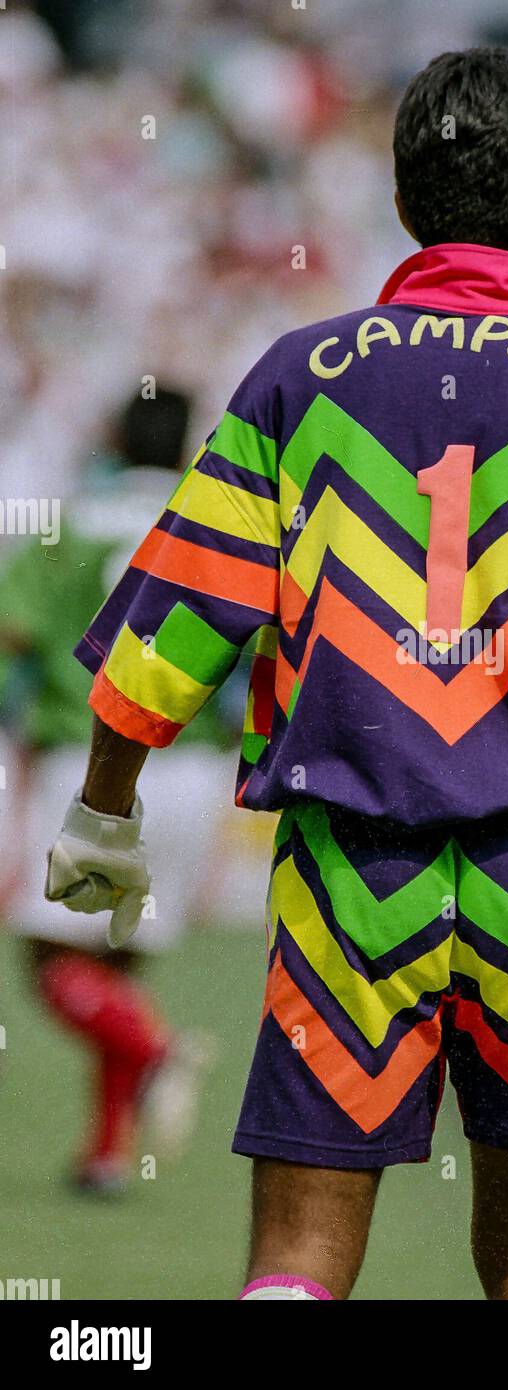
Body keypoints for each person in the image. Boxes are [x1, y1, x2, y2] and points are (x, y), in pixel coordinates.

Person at [44, 47, 508, 1296]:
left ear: (402, 206)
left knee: (295, 1259)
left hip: (350, 877)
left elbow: (180, 614)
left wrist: (103, 807)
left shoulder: (305, 375)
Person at [0, 388, 218, 1193]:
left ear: (114, 437)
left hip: (93, 764)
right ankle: (108, 1152)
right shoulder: (208, 518)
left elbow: (13, 631)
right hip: (194, 765)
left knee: (51, 964)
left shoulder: (72, 522)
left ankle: (157, 1053)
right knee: (118, 967)